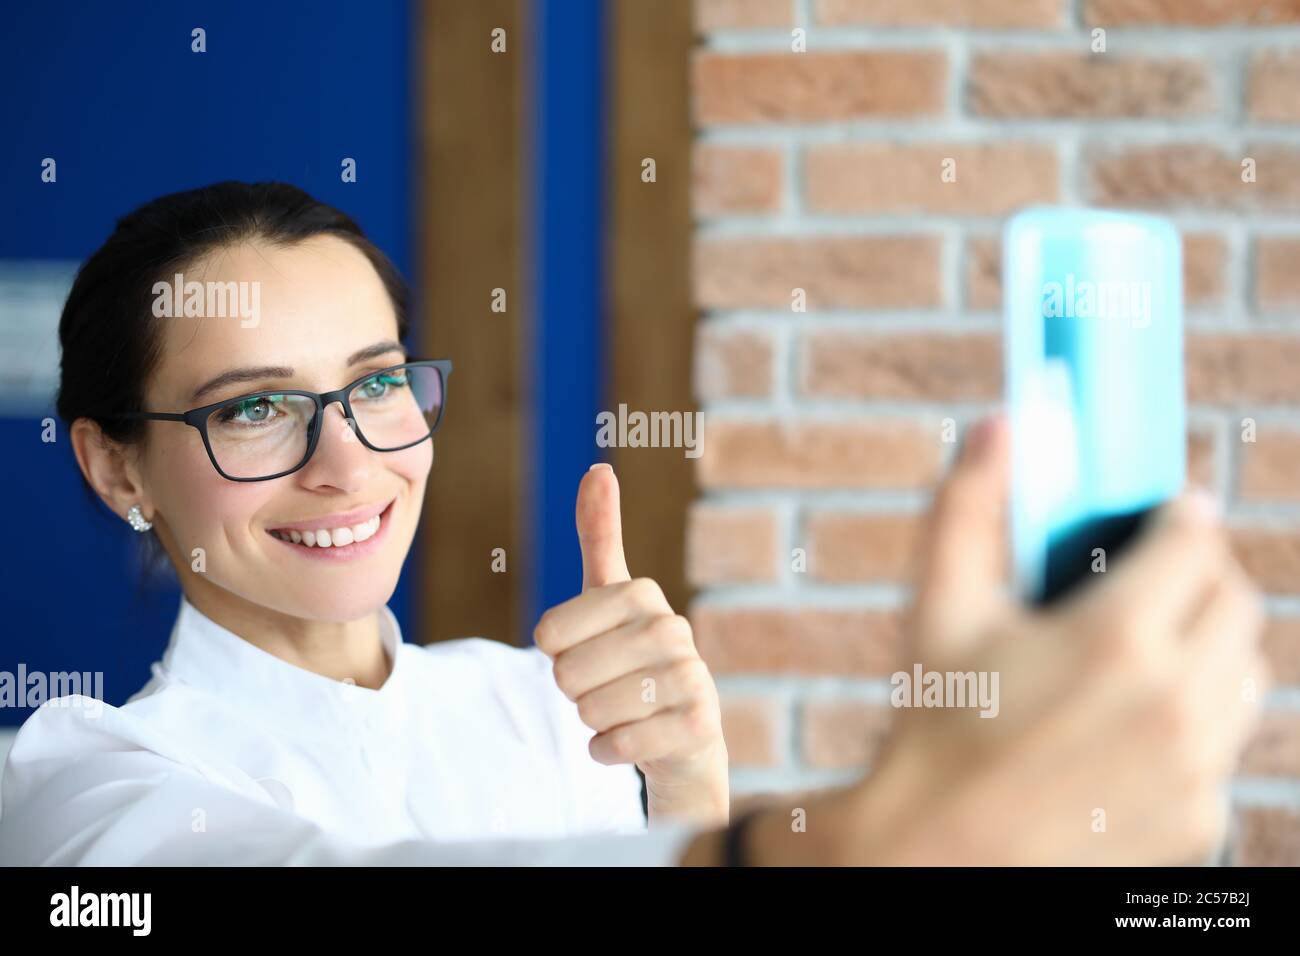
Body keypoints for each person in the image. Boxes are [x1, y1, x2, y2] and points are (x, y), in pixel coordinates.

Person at [0, 182, 1268, 866]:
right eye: (258, 408)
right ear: (118, 465)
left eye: (377, 382)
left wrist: (693, 799)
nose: (347, 461)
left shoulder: (553, 705)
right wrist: (870, 842)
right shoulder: (73, 787)